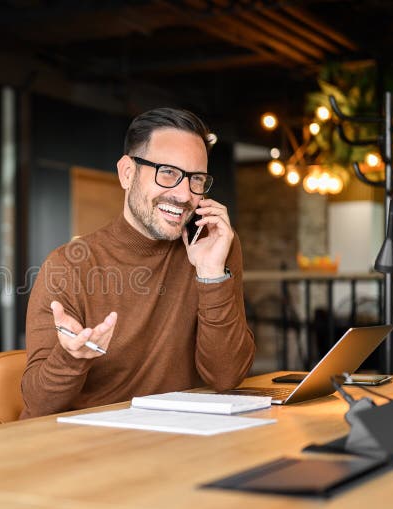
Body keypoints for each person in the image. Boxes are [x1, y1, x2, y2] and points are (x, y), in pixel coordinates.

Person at [20, 107, 255, 419]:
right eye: (168, 172)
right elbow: (37, 404)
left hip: (178, 437)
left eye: (196, 179)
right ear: (127, 173)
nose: (184, 194)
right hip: (89, 446)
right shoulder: (69, 265)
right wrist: (71, 357)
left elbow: (226, 377)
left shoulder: (212, 245)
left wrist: (211, 275)